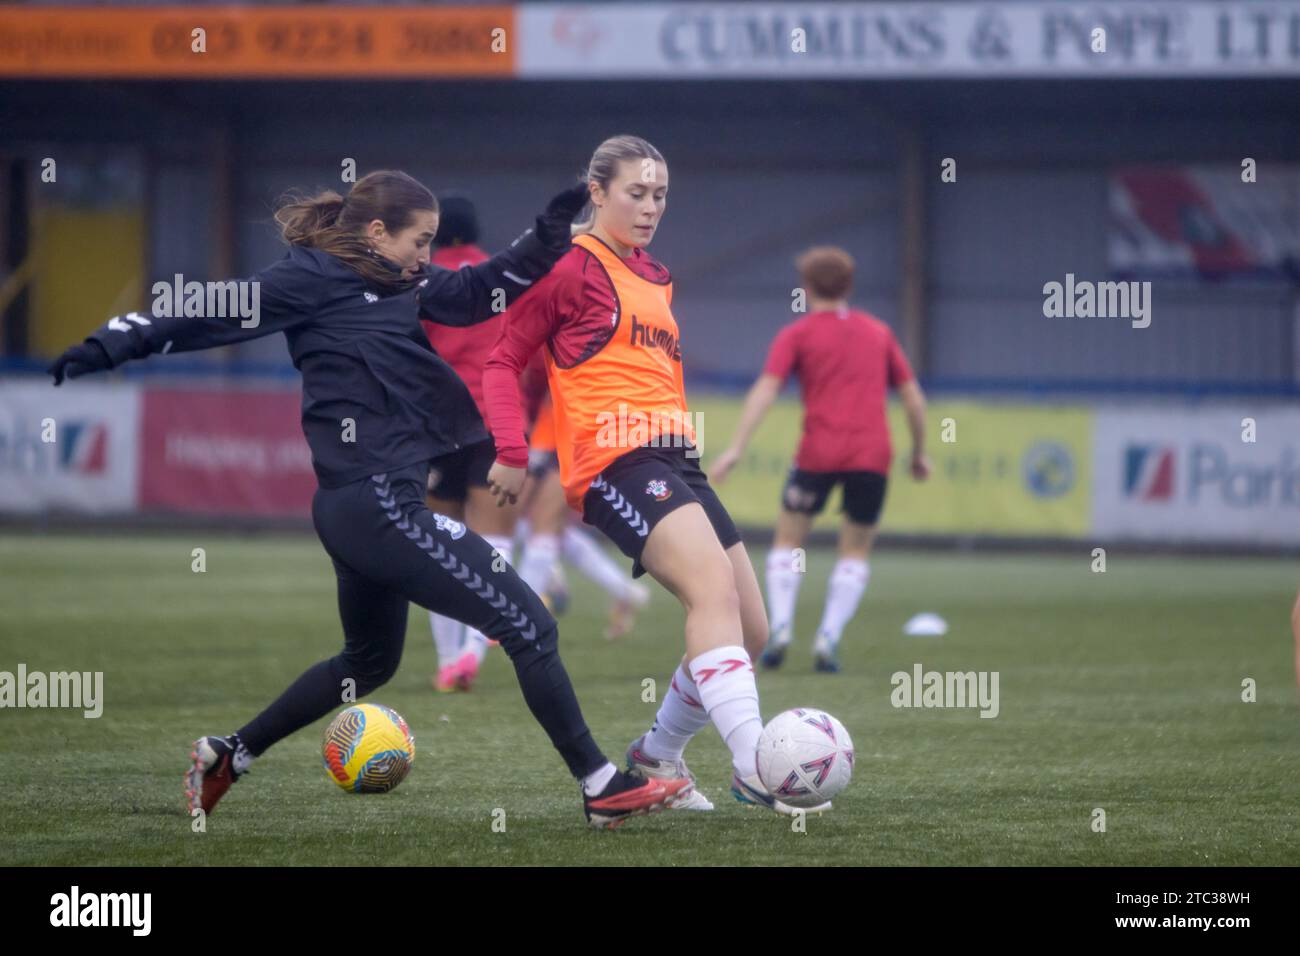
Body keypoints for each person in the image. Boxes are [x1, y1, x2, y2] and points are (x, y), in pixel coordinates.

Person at [48, 169, 689, 829]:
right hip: (378, 502)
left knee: (369, 663)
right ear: (377, 231)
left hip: (359, 507)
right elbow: (201, 310)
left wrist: (552, 227)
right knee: (529, 624)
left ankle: (229, 755)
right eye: (420, 240)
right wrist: (107, 344)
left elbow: (479, 291)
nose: (427, 256)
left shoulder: (402, 280)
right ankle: (602, 785)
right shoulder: (308, 278)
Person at [482, 135, 824, 814]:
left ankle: (656, 754)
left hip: (674, 458)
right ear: (597, 191)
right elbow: (500, 359)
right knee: (711, 594)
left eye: (660, 194)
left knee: (751, 630)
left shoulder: (656, 275)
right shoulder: (567, 267)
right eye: (635, 193)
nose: (649, 207)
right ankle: (757, 762)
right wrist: (512, 452)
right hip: (613, 460)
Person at [710, 246, 931, 673]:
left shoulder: (797, 334)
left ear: (806, 287)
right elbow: (913, 399)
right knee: (855, 549)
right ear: (849, 285)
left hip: (817, 453)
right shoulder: (878, 333)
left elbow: (766, 390)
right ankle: (829, 637)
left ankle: (782, 628)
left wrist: (737, 447)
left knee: (789, 541)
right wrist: (919, 452)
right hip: (872, 456)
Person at [418, 193, 519, 693]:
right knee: (493, 539)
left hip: (440, 425)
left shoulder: (425, 277)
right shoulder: (497, 277)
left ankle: (445, 661)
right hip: (495, 420)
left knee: (439, 543)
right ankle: (474, 652)